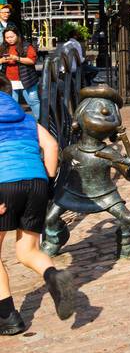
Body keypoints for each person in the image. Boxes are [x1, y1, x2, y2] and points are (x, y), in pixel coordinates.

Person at [0, 75, 75, 335]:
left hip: (4, 184)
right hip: (36, 181)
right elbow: (51, 146)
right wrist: (49, 182)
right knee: (27, 251)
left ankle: (8, 316)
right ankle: (53, 277)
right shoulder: (25, 118)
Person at [0, 28, 40, 120]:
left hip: (27, 78)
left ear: (17, 36)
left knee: (33, 101)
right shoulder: (3, 47)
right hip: (9, 80)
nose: (9, 39)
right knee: (12, 103)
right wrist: (2, 60)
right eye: (7, 37)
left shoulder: (26, 46)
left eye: (12, 36)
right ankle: (16, 123)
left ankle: (38, 122)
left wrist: (17, 58)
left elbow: (32, 61)